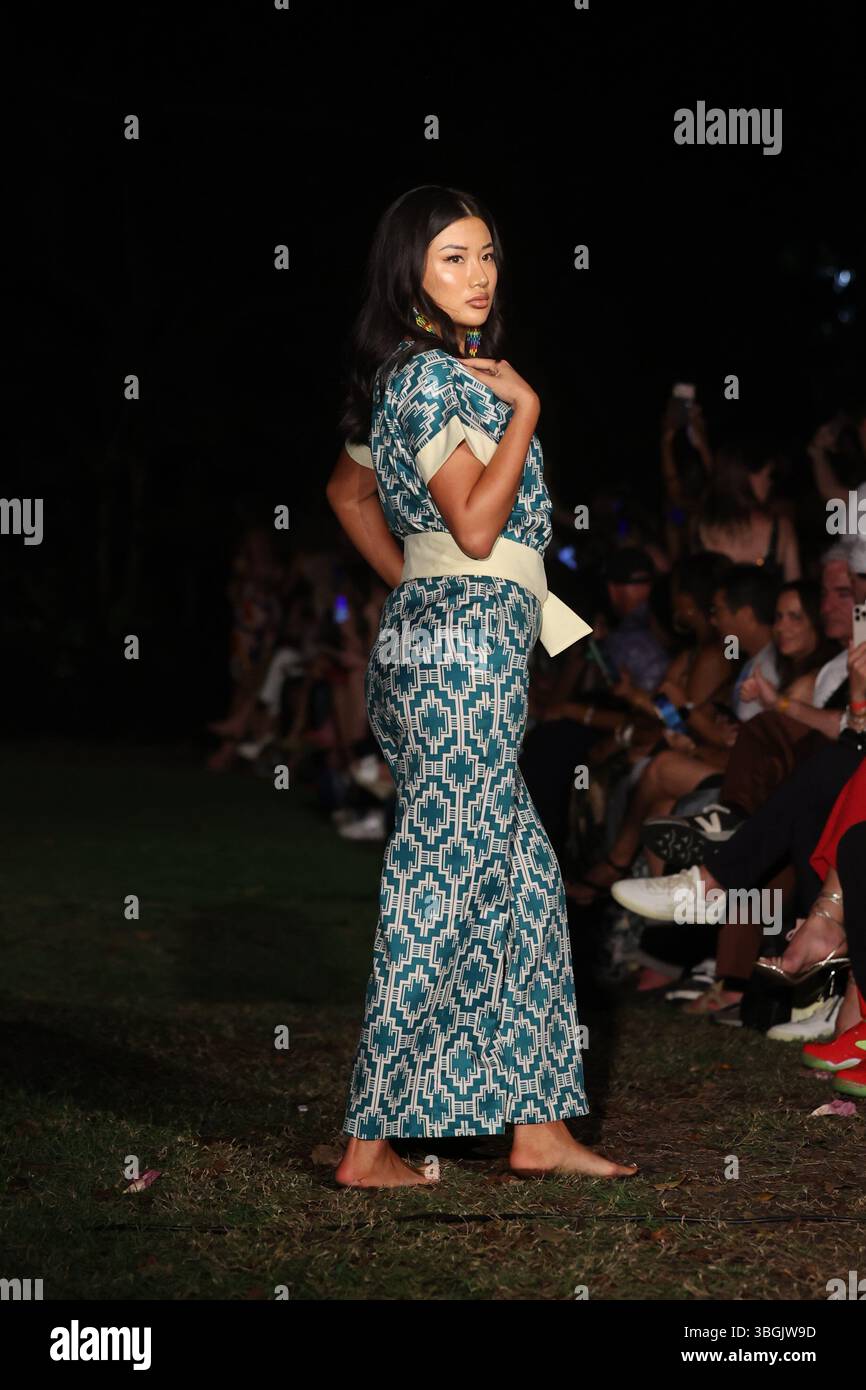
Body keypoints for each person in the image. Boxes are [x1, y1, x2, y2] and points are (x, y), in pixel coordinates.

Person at [325, 185, 637, 1186]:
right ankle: (369, 1142)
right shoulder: (431, 378)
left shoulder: (423, 372)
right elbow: (471, 527)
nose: (479, 274)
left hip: (453, 642)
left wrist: (415, 586)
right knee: (441, 883)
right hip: (459, 660)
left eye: (487, 254)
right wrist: (527, 413)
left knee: (527, 887)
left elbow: (346, 492)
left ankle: (536, 1126)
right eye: (452, 257)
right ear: (409, 271)